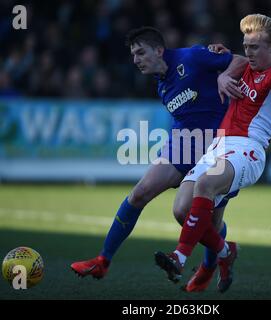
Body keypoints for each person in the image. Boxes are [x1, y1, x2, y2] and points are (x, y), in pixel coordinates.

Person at [71, 26, 248, 291]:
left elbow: (241, 61)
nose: (136, 60)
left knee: (205, 220)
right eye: (133, 55)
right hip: (182, 145)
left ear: (158, 50)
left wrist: (224, 76)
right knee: (140, 193)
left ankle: (212, 265)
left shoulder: (193, 57)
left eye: (141, 52)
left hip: (218, 147)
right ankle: (103, 260)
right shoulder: (162, 84)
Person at [154, 14, 271, 293]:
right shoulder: (244, 67)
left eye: (255, 47)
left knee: (206, 184)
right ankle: (224, 252)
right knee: (182, 210)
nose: (249, 52)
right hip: (218, 147)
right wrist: (222, 73)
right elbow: (227, 60)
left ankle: (179, 257)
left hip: (248, 150)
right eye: (246, 45)